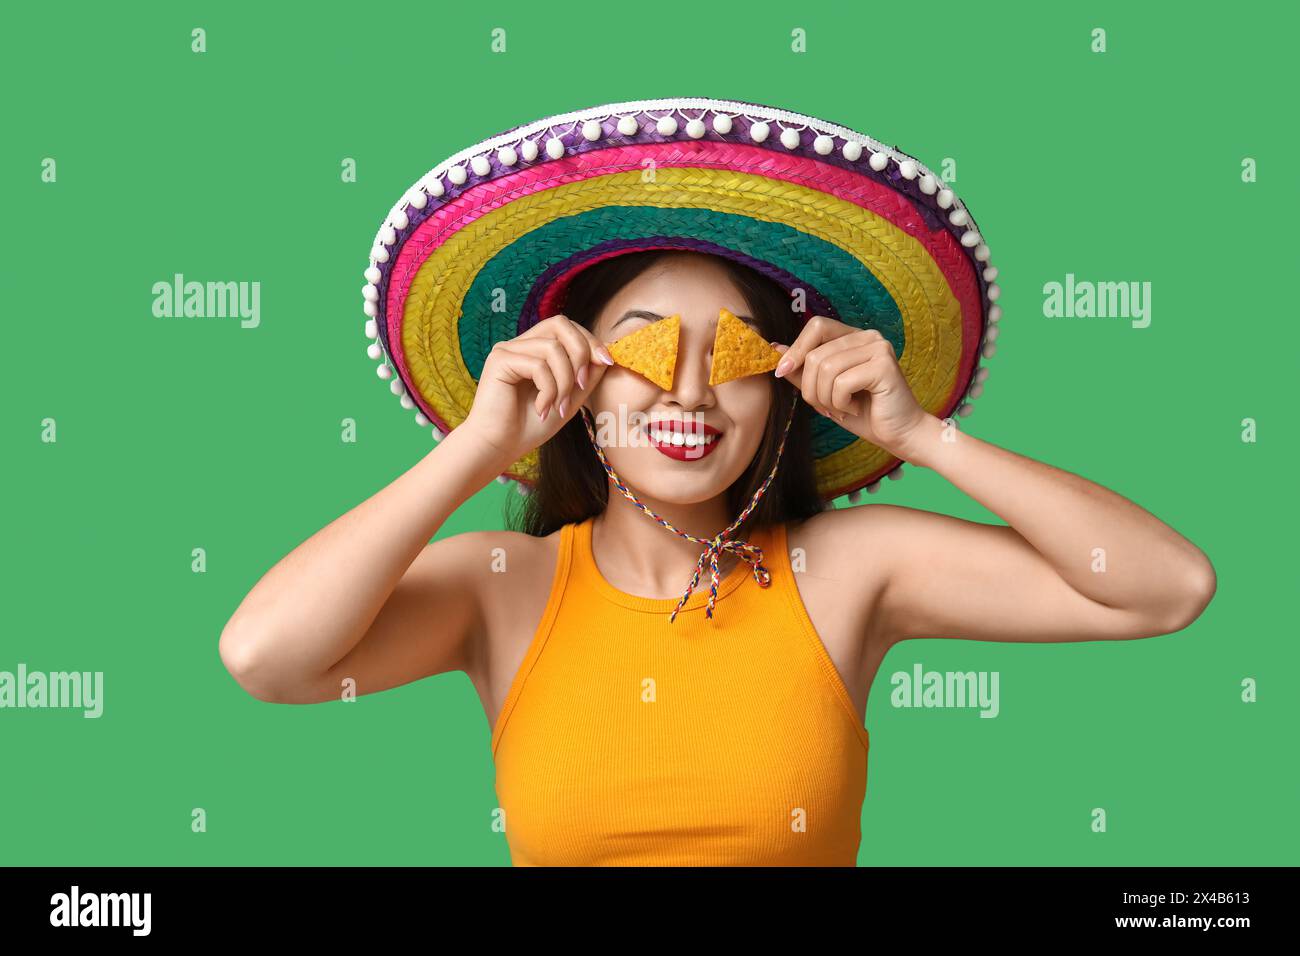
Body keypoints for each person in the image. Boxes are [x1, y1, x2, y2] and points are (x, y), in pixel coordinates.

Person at [218, 99, 1216, 866]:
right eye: (642, 350)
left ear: (783, 391)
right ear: (574, 378)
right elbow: (266, 654)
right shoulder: (500, 583)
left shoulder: (851, 567)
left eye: (733, 353)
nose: (688, 388)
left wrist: (924, 435)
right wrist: (477, 448)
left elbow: (1166, 586)